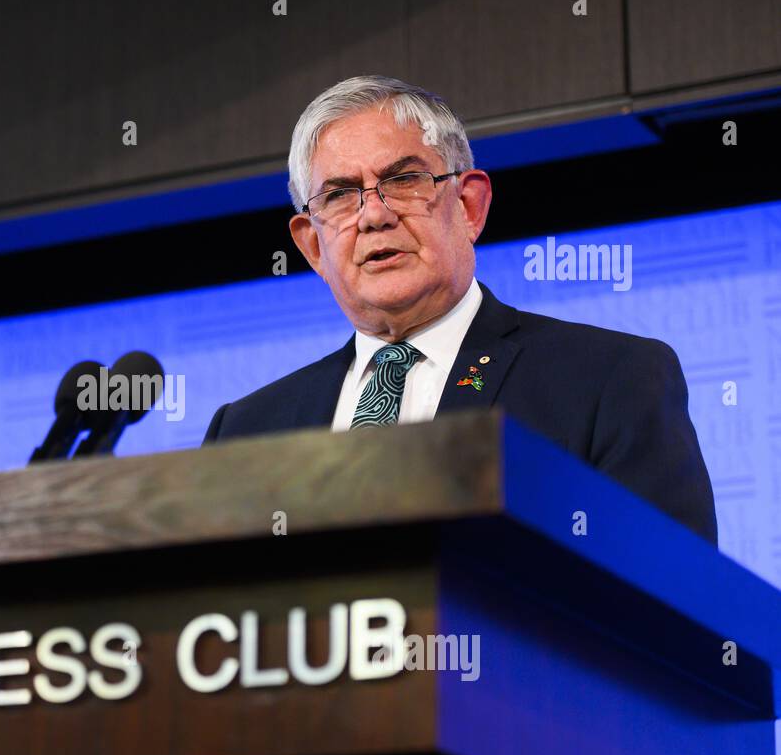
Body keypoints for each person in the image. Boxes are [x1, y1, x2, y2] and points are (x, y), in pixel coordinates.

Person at [203, 75, 716, 544]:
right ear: (312, 245)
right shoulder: (246, 430)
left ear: (469, 206)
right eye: (340, 195)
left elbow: (676, 604)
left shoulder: (607, 380)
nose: (374, 215)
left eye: (403, 180)